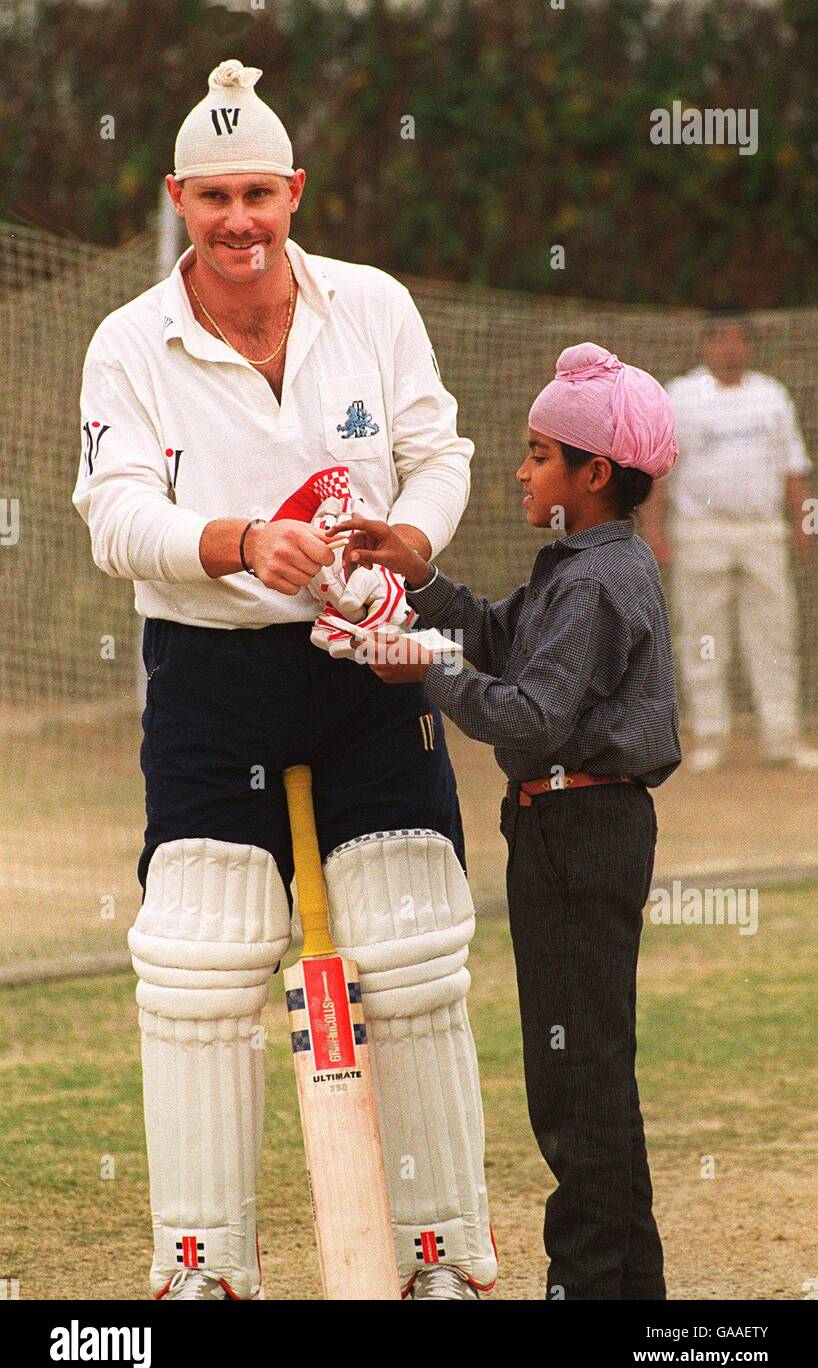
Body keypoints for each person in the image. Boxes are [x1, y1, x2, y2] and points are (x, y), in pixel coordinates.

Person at [72, 58, 496, 1301]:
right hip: (209, 672)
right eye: (213, 199)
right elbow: (112, 514)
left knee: (412, 943)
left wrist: (411, 538)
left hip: (366, 659)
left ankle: (440, 1256)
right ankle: (201, 1269)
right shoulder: (129, 341)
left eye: (258, 193)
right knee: (201, 959)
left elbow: (439, 452)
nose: (238, 221)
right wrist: (238, 543)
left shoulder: (369, 305)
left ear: (294, 191)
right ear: (177, 200)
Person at [328, 342, 681, 1300]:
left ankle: (590, 1283)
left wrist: (421, 667)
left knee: (576, 1082)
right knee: (588, 1069)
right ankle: (625, 1289)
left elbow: (530, 715)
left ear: (594, 473)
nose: (520, 472)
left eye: (537, 453)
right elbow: (503, 639)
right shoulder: (583, 564)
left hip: (581, 834)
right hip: (568, 832)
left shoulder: (599, 579)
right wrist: (424, 581)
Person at [642, 315, 817, 771]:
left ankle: (782, 737)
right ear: (705, 344)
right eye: (720, 339)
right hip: (701, 531)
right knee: (702, 635)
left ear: (749, 346)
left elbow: (794, 468)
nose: (730, 348)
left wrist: (805, 523)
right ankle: (709, 737)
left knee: (775, 632)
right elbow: (661, 467)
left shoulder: (771, 395)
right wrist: (654, 529)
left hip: (762, 530)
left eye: (738, 339)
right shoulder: (681, 394)